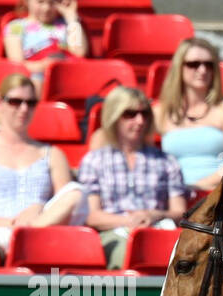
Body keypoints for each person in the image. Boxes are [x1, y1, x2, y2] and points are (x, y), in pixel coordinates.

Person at [0, 74, 85, 256]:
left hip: (42, 237)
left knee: (76, 193)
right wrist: (12, 224)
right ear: (0, 103)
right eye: (16, 102)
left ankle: (29, 236)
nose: (24, 109)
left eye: (30, 103)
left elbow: (65, 205)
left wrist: (40, 209)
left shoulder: (52, 154)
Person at [79, 86, 187, 269]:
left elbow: (180, 211)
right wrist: (128, 222)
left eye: (144, 114)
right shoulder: (95, 161)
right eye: (130, 114)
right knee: (125, 252)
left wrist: (154, 215)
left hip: (157, 231)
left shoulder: (166, 161)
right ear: (114, 117)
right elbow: (91, 215)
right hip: (113, 233)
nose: (139, 121)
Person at [153, 38, 223, 192]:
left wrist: (197, 187)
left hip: (222, 195)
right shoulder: (161, 111)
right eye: (194, 64)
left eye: (209, 65)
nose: (202, 70)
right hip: (177, 199)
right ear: (179, 68)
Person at [2, 0, 87, 94]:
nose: (46, 8)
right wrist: (46, 66)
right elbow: (17, 66)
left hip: (67, 79)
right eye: (40, 1)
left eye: (53, 2)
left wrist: (71, 17)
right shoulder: (15, 27)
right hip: (35, 81)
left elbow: (79, 52)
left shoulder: (66, 25)